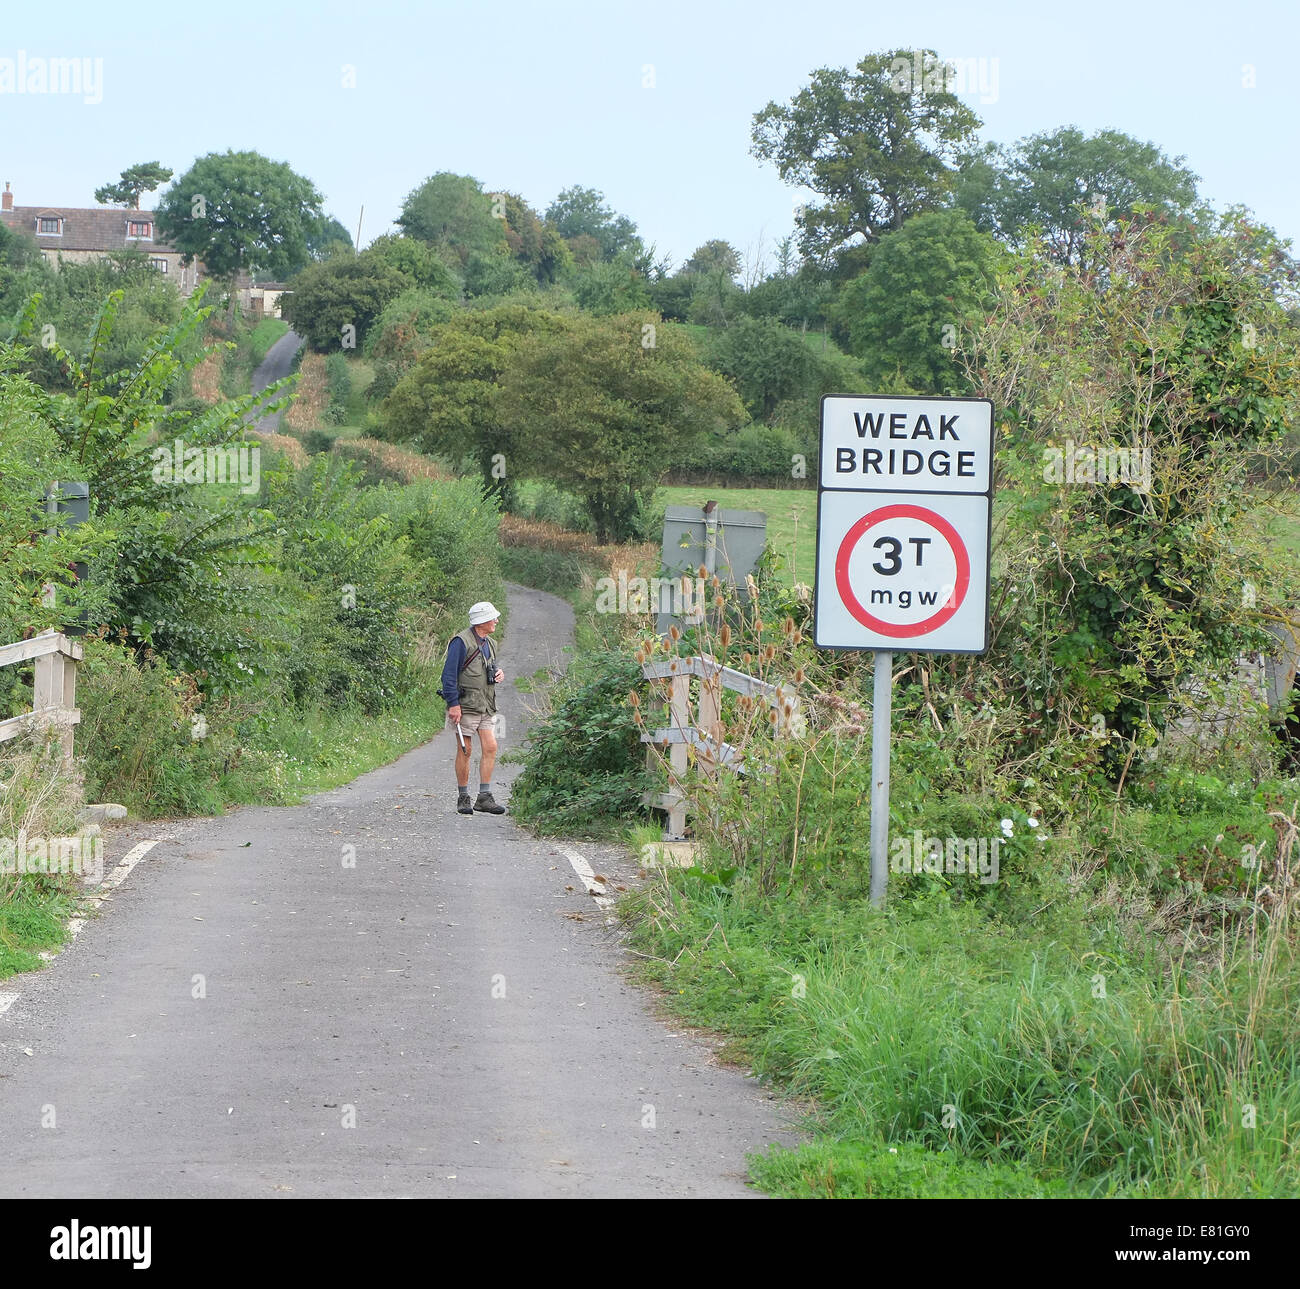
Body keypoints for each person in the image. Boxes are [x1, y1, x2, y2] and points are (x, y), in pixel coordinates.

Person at [441, 601, 506, 815]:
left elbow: (490, 667)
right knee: (465, 750)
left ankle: (484, 798)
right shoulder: (461, 642)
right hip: (465, 705)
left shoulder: (491, 643)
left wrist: (499, 674)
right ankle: (463, 797)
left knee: (490, 747)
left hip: (486, 705)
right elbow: (448, 676)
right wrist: (453, 705)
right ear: (482, 621)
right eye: (493, 617)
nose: (496, 620)